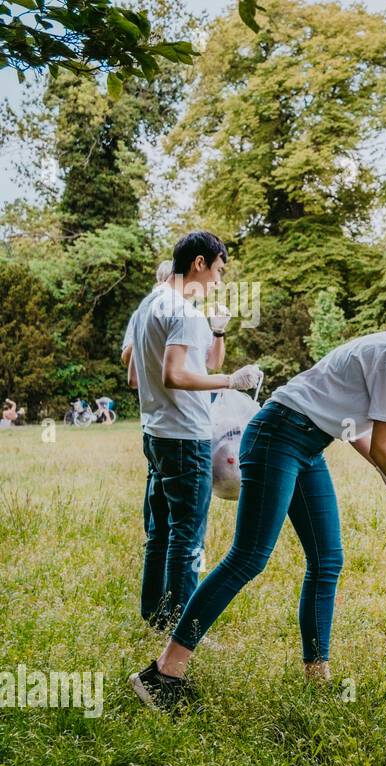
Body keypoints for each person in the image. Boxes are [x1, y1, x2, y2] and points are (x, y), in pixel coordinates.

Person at [129, 290, 386, 711]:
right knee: (248, 557)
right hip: (278, 436)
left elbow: (349, 422)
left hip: (304, 444)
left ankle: (318, 681)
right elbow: (385, 447)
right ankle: (162, 674)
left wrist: (382, 470)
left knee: (326, 560)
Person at [130, 231, 261, 630]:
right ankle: (182, 629)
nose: (219, 281)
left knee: (161, 531)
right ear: (199, 264)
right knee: (187, 537)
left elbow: (139, 373)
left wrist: (217, 333)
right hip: (186, 437)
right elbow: (174, 374)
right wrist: (229, 381)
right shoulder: (183, 312)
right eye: (218, 270)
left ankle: (155, 615)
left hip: (155, 433)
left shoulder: (151, 304)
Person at [123, 259, 175, 389]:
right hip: (151, 388)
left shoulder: (181, 312)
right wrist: (142, 335)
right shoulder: (140, 314)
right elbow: (125, 358)